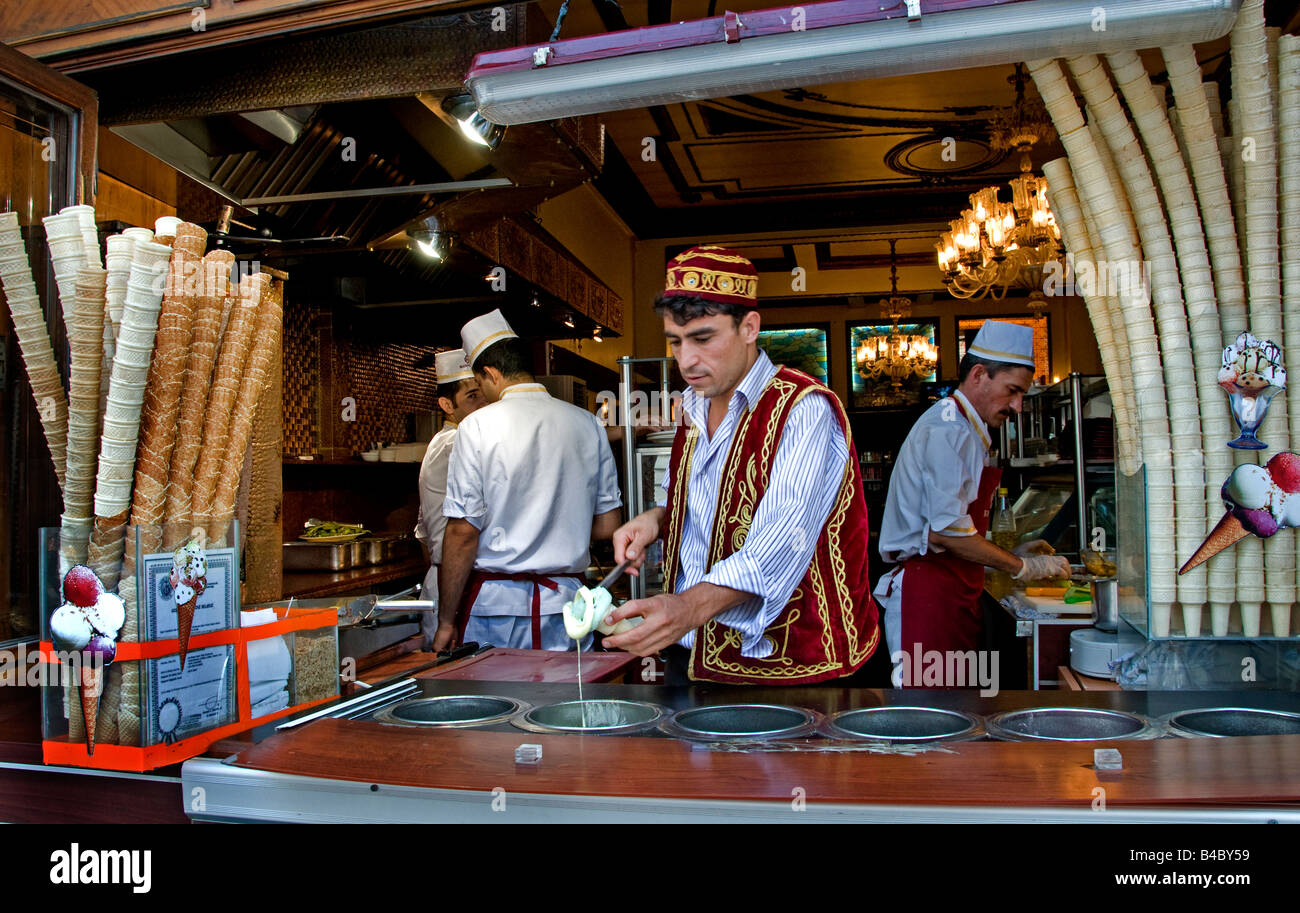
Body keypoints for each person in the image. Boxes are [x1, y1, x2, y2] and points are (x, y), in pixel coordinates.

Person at [604, 245, 878, 685]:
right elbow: (694, 503)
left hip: (789, 666)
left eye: (703, 338)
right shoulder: (691, 407)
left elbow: (781, 542)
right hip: (690, 652)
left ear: (750, 327)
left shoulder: (803, 409)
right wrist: (655, 519)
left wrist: (687, 608)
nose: (686, 360)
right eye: (675, 341)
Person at [873, 320, 1071, 676]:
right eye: (1013, 391)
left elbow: (957, 524)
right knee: (929, 713)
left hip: (953, 590)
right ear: (979, 374)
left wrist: (1010, 552)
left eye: (1022, 395)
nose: (1018, 406)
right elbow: (946, 532)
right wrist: (1021, 566)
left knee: (956, 710)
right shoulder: (948, 429)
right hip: (929, 593)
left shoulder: (966, 428)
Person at [432, 309, 623, 652]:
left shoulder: (475, 427)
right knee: (564, 704)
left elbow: (463, 533)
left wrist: (446, 621)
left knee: (498, 705)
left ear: (489, 373)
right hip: (569, 611)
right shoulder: (588, 424)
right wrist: (556, 529)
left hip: (495, 612)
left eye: (479, 385)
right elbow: (609, 524)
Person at [414, 349, 484, 648]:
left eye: (483, 394)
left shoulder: (444, 441)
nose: (483, 404)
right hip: (454, 583)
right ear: (446, 405)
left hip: (449, 579)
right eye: (472, 397)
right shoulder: (456, 442)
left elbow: (422, 533)